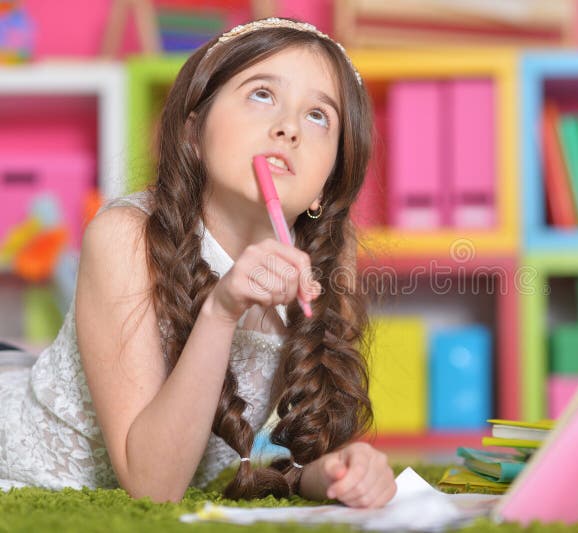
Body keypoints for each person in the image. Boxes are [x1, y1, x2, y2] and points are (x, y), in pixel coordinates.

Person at [0, 17, 397, 508]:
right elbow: (153, 486)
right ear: (194, 129)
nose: (289, 127)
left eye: (319, 115)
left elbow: (290, 456)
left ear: (327, 181)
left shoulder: (330, 257)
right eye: (262, 94)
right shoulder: (128, 236)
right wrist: (221, 310)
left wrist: (336, 471)